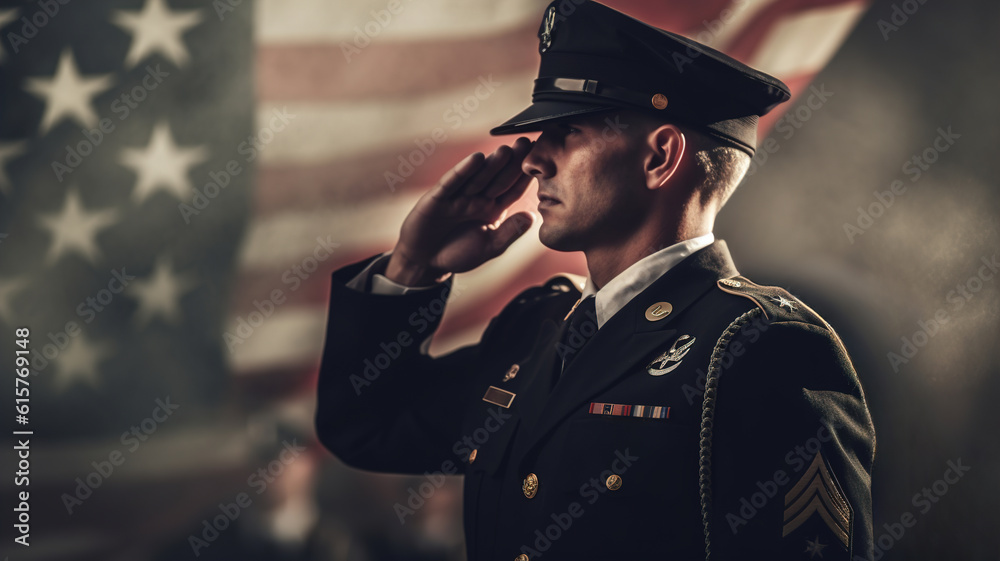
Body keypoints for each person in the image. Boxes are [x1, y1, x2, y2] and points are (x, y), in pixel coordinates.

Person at [315, 2, 876, 560]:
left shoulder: (760, 346)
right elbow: (366, 425)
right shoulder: (535, 330)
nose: (535, 160)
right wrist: (413, 269)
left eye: (567, 131)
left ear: (660, 156)